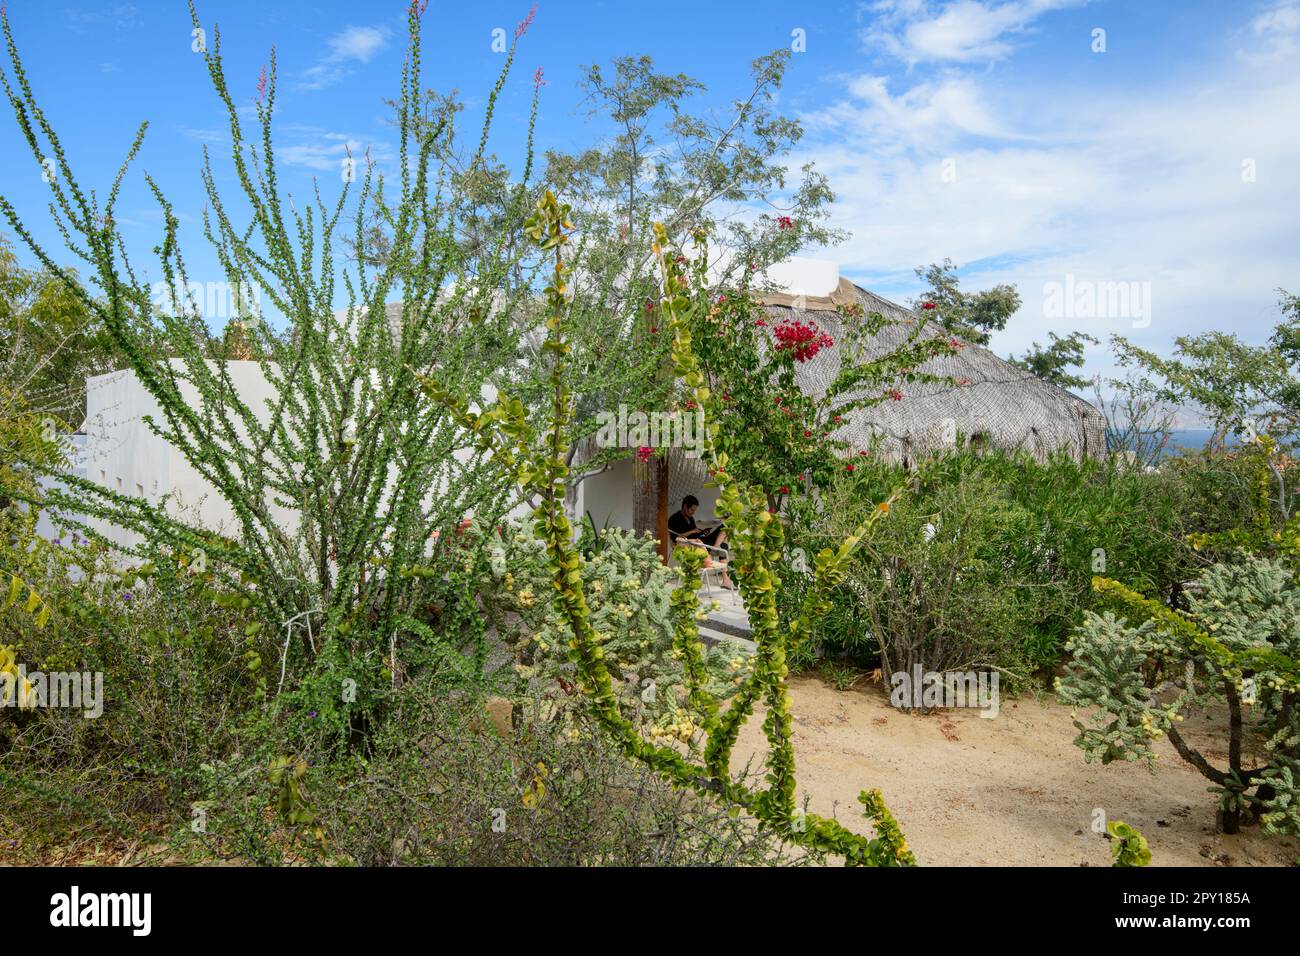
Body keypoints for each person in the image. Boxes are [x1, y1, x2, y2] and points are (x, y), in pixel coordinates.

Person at [668, 495, 733, 589]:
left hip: (700, 541)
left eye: (694, 510)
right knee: (723, 532)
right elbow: (677, 538)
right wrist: (693, 531)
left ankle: (725, 580)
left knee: (724, 540)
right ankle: (714, 548)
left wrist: (703, 532)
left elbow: (695, 533)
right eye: (692, 510)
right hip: (691, 545)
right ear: (685, 506)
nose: (693, 513)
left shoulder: (690, 518)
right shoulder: (675, 518)